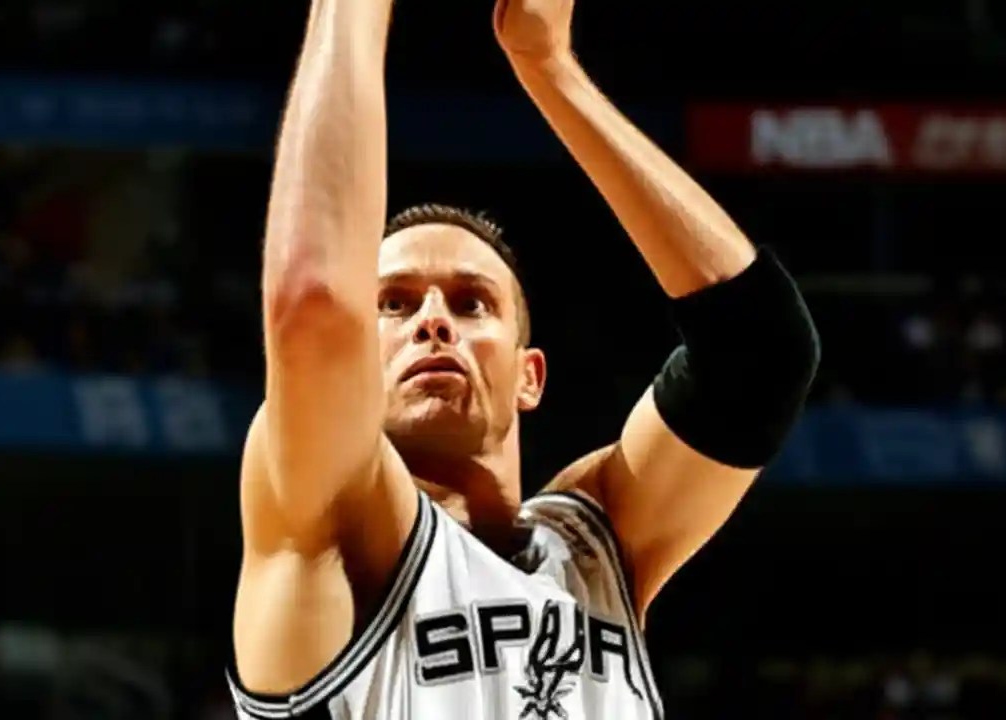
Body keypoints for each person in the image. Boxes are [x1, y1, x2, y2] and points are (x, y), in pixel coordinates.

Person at [227, 0, 820, 717]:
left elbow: (761, 350)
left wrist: (548, 66)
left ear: (529, 375)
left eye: (471, 303)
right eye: (394, 303)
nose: (433, 323)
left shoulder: (597, 548)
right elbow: (314, 305)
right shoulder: (335, 531)